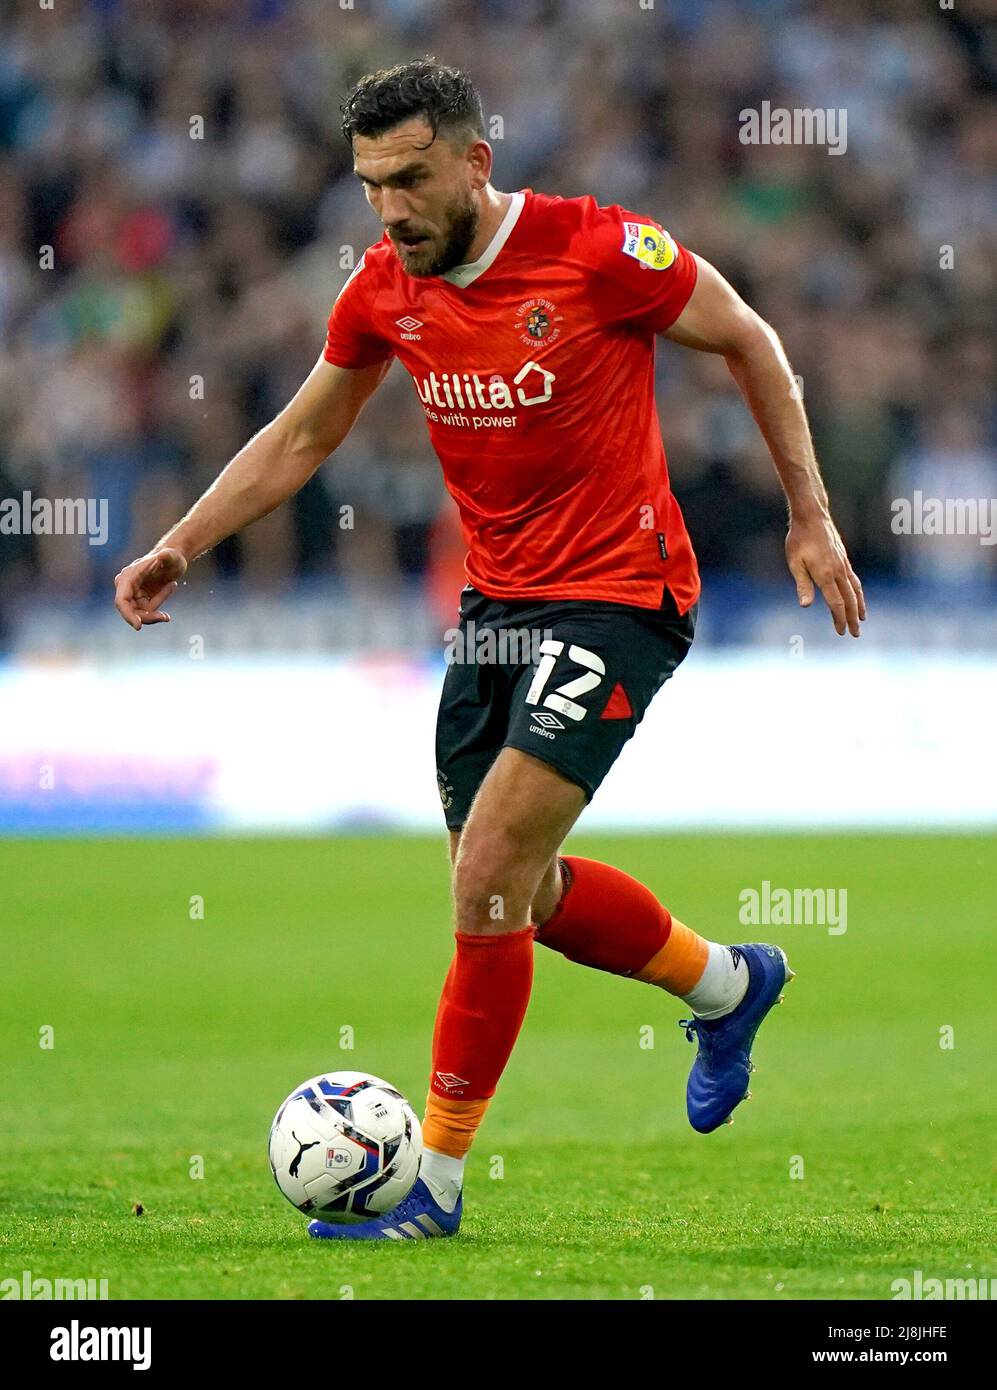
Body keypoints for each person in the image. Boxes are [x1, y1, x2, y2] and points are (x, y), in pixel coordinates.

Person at [114, 59, 865, 1241]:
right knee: (521, 891)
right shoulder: (379, 288)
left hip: (623, 596)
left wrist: (809, 515)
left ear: (476, 161)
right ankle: (727, 983)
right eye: (369, 186)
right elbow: (307, 431)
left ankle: (435, 1186)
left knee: (483, 878)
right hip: (496, 612)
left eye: (410, 178)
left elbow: (753, 342)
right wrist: (182, 543)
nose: (390, 209)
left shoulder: (600, 251)